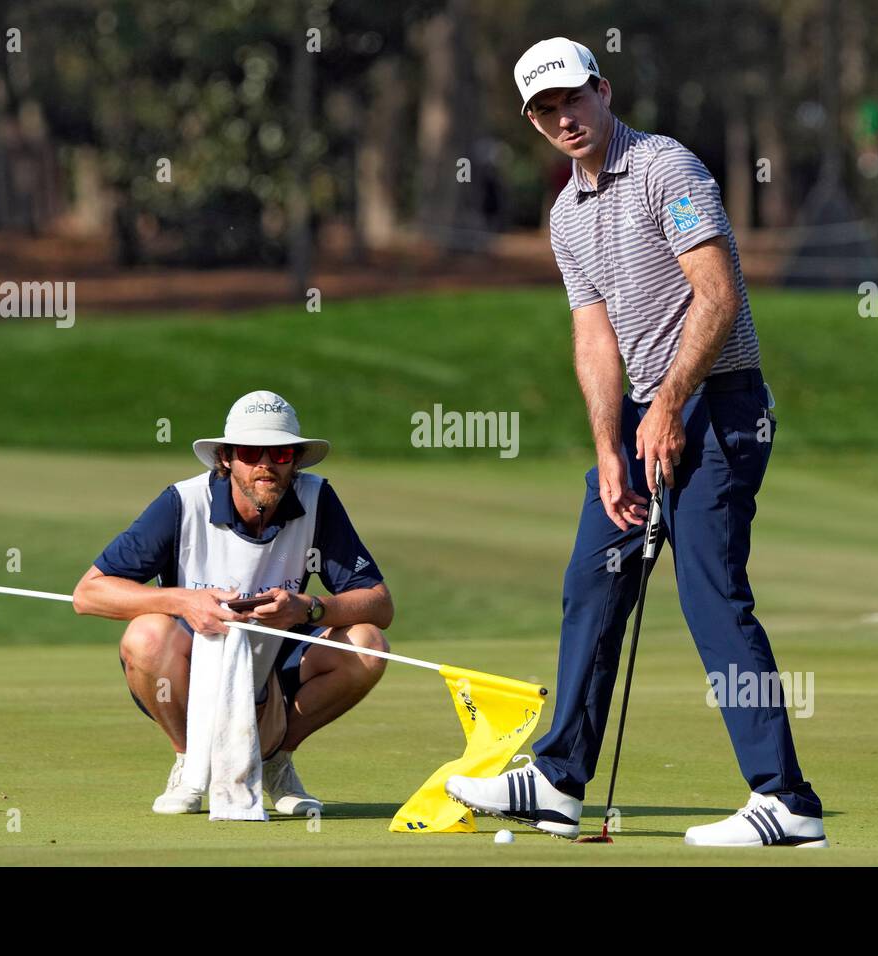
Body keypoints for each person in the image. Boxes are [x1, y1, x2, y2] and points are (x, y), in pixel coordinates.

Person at [447, 38, 826, 847]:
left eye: (572, 100)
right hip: (641, 416)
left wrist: (671, 403)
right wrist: (612, 445)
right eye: (544, 111)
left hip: (717, 405)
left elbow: (716, 295)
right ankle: (557, 782)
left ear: (604, 90)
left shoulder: (667, 170)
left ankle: (785, 799)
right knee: (593, 582)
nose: (563, 119)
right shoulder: (564, 214)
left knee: (710, 593)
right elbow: (593, 337)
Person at [72, 390, 393, 816]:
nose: (265, 463)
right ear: (226, 458)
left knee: (366, 644)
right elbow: (88, 593)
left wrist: (310, 607)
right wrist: (185, 601)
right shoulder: (182, 502)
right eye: (250, 451)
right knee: (146, 633)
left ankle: (275, 761)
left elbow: (379, 604)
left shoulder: (317, 500)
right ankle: (191, 762)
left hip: (280, 671)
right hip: (194, 669)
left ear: (295, 461)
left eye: (279, 454)